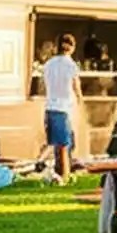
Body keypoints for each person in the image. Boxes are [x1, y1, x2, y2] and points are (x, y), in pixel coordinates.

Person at [41, 33, 82, 185]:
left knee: (55, 144)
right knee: (64, 145)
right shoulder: (71, 65)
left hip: (50, 106)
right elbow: (76, 86)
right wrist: (80, 101)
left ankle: (58, 172)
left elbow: (44, 84)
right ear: (71, 47)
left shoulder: (48, 64)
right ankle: (64, 176)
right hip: (64, 108)